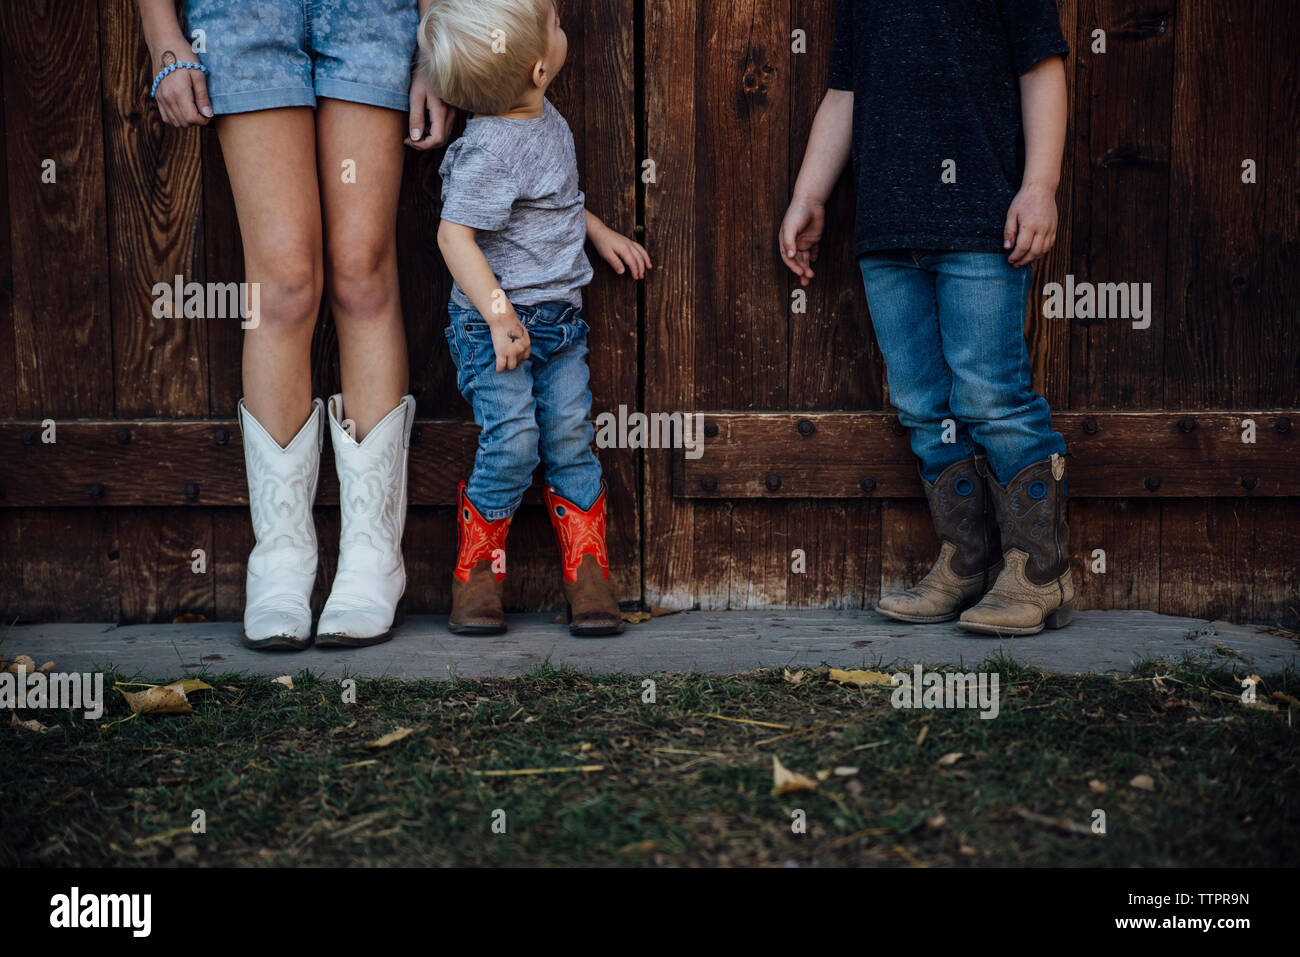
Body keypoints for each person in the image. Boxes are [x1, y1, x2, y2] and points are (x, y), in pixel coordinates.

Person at [136, 0, 455, 650]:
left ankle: (372, 556)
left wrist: (435, 43)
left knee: (361, 274)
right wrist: (161, 31)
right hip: (245, 14)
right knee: (281, 288)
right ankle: (280, 556)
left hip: (373, 14)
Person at [780, 0, 1074, 636]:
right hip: (886, 234)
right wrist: (808, 195)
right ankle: (965, 563)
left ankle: (1038, 572)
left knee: (993, 398)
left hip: (982, 227)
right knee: (921, 406)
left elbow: (1042, 68)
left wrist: (1040, 186)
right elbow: (844, 92)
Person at [418, 0, 651, 636]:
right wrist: (500, 316)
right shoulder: (489, 150)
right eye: (555, 23)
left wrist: (596, 231)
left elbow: (554, 202)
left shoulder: (547, 120)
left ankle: (588, 572)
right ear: (538, 68)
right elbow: (454, 237)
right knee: (514, 442)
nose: (561, 25)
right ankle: (476, 574)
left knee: (571, 438)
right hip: (495, 330)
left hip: (560, 324)